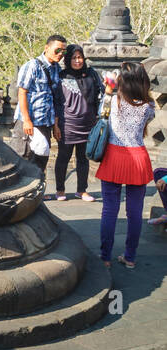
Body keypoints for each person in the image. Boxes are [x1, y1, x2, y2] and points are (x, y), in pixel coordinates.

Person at [95, 63, 157, 268]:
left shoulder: (113, 101)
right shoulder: (148, 106)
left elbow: (100, 113)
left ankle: (105, 257)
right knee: (135, 212)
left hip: (114, 155)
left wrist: (109, 87)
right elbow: (149, 118)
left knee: (109, 210)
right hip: (138, 157)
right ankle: (130, 256)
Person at [14, 34, 67, 184]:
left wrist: (56, 125)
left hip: (45, 121)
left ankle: (36, 187)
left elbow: (55, 98)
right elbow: (22, 92)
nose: (60, 54)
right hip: (30, 119)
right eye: (57, 50)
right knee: (23, 155)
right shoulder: (32, 65)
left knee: (41, 156)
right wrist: (26, 120)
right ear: (46, 48)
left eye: (63, 51)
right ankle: (20, 188)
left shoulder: (56, 68)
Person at [54, 44, 102, 202]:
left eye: (80, 57)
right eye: (74, 58)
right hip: (67, 124)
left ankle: (82, 190)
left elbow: (99, 96)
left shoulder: (90, 74)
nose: (78, 61)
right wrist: (56, 125)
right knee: (63, 158)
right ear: (68, 59)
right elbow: (56, 102)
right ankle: (60, 189)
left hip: (87, 124)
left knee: (83, 159)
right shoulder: (61, 76)